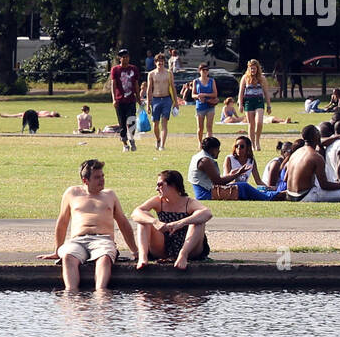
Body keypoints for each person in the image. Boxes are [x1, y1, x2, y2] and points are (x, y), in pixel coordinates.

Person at [38, 159, 138, 291]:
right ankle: (71, 293)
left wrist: (135, 251)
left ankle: (101, 293)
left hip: (103, 240)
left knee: (104, 258)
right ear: (85, 180)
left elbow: (123, 223)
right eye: (97, 177)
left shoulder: (110, 195)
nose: (102, 180)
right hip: (77, 240)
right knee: (68, 257)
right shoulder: (72, 193)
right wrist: (57, 250)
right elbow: (62, 222)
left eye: (103, 176)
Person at [132, 170, 212, 270]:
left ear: (173, 185)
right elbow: (135, 213)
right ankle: (143, 257)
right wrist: (155, 222)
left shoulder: (189, 202)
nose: (157, 188)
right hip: (164, 245)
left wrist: (181, 223)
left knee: (198, 219)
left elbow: (207, 213)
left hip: (189, 246)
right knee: (144, 218)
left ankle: (183, 255)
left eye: (160, 184)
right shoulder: (158, 201)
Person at [188, 136, 275, 200]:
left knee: (247, 189)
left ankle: (273, 194)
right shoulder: (205, 160)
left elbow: (258, 181)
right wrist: (237, 173)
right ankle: (270, 197)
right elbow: (219, 182)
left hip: (205, 192)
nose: (219, 151)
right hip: (206, 194)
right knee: (244, 187)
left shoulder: (198, 156)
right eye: (218, 149)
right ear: (212, 149)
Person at [144, 55, 178, 151]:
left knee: (164, 122)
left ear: (164, 62)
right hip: (155, 100)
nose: (160, 63)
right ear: (155, 62)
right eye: (158, 61)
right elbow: (149, 89)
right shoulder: (151, 74)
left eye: (162, 61)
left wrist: (176, 102)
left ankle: (162, 145)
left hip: (167, 99)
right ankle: (158, 139)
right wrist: (148, 104)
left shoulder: (169, 73)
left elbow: (173, 87)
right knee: (155, 124)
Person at [109, 48, 141, 152]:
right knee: (122, 123)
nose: (125, 59)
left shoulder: (133, 69)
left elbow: (136, 84)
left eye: (126, 56)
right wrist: (114, 99)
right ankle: (125, 143)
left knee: (131, 121)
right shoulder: (115, 70)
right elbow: (113, 85)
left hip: (131, 100)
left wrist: (138, 98)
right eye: (123, 57)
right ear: (120, 58)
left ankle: (132, 139)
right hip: (120, 100)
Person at [238, 58, 271, 151]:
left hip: (259, 101)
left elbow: (266, 92)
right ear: (249, 69)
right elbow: (241, 92)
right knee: (251, 124)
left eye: (254, 68)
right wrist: (240, 104)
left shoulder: (262, 78)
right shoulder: (245, 78)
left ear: (257, 69)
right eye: (251, 68)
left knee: (259, 122)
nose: (253, 70)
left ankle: (257, 141)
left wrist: (269, 105)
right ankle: (252, 144)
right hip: (248, 102)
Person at [193, 63, 219, 143]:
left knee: (209, 127)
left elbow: (215, 94)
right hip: (200, 106)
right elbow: (193, 94)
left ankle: (209, 144)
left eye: (206, 70)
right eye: (203, 70)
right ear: (199, 71)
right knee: (200, 128)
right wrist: (198, 96)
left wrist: (204, 95)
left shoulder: (211, 81)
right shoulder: (196, 81)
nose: (205, 72)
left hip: (210, 105)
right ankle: (200, 143)